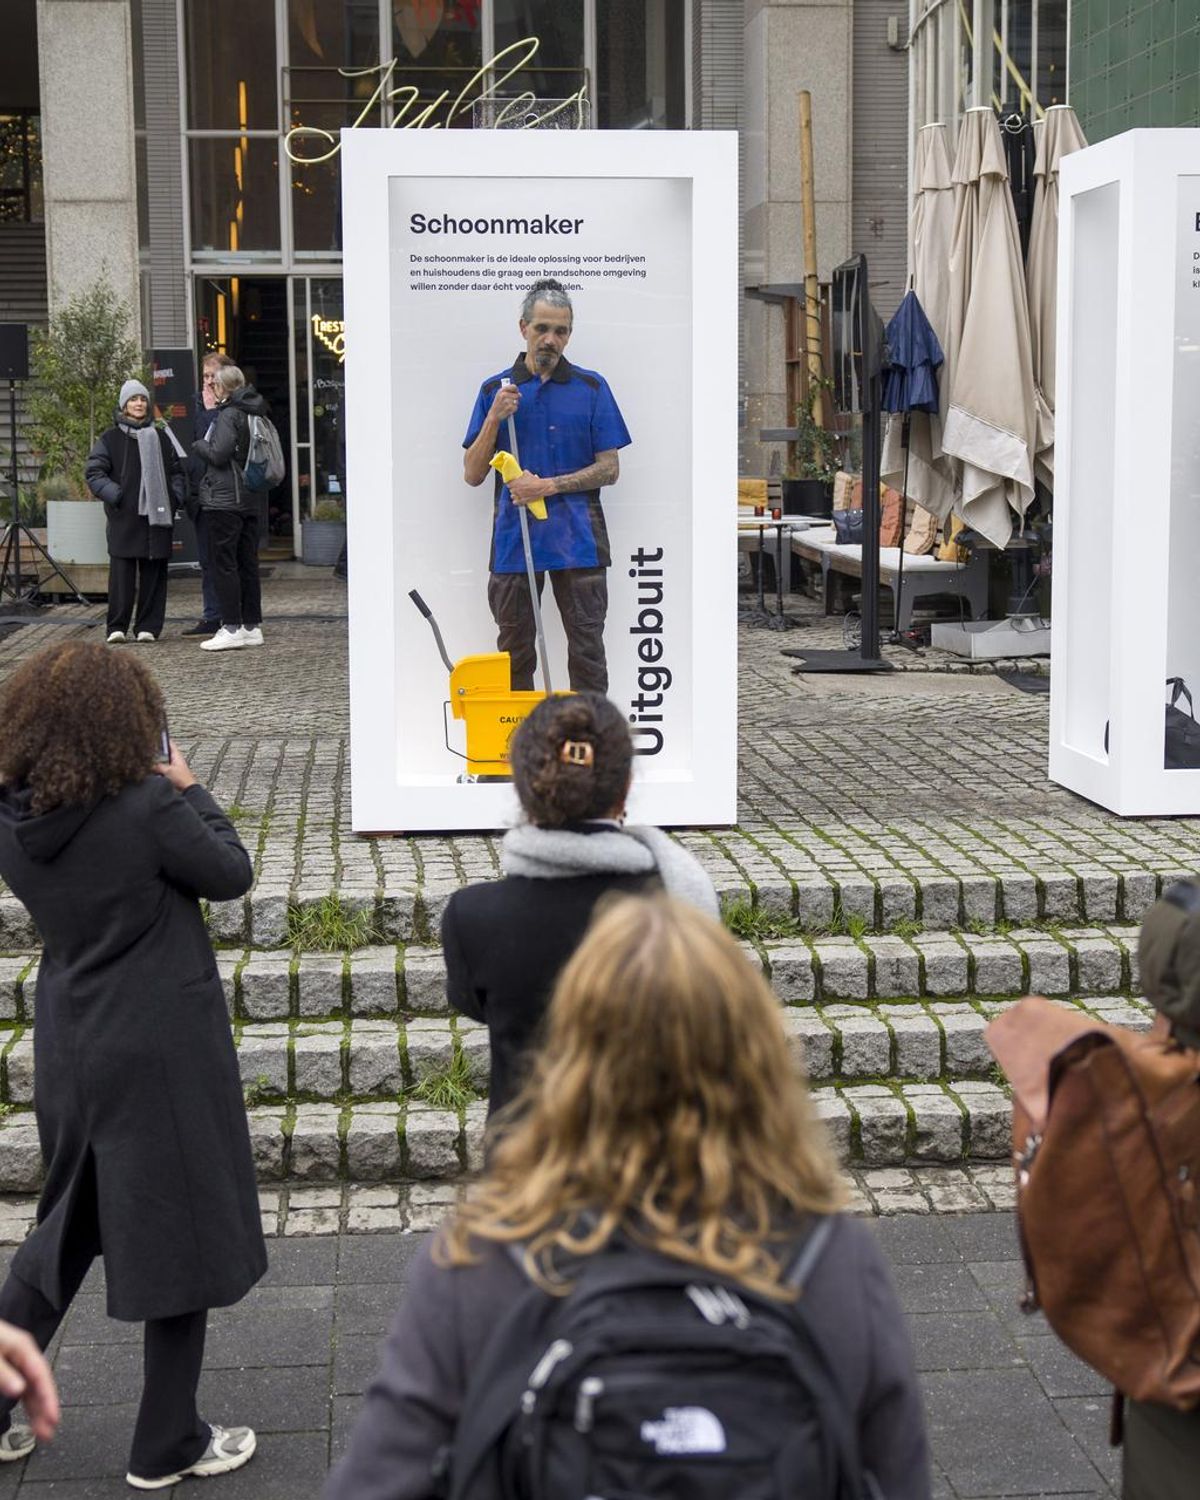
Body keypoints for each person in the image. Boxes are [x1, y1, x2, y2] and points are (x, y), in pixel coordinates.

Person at [327, 895, 931, 1500]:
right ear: (757, 1057)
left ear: (567, 1059)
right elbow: (897, 1477)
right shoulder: (831, 1259)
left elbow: (380, 1480)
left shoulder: (483, 1260)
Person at [0, 641, 266, 1489]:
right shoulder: (148, 805)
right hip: (157, 1043)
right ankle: (167, 1445)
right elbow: (230, 874)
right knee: (177, 1232)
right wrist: (191, 786)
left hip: (72, 1039)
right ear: (126, 724)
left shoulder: (12, 815)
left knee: (66, 1230)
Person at [441, 692, 717, 1116]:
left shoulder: (471, 918)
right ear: (625, 786)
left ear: (521, 786)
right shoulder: (682, 899)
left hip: (527, 1165)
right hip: (649, 1161)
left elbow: (475, 1004)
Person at [462, 279, 631, 694]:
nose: (551, 339)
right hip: (514, 541)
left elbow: (610, 469)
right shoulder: (495, 390)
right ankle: (521, 749)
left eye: (561, 331)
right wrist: (494, 420)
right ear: (523, 328)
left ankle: (588, 747)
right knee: (514, 652)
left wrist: (549, 487)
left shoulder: (592, 387)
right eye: (542, 328)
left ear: (569, 334)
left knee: (588, 649)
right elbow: (472, 473)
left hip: (580, 538)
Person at [85, 379, 184, 645]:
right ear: (124, 405)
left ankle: (148, 627)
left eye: (142, 399)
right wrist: (116, 495)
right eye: (133, 400)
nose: (139, 404)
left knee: (154, 573)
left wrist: (175, 498)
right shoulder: (110, 438)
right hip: (124, 516)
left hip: (157, 517)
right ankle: (116, 627)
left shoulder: (161, 437)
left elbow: (176, 472)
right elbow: (94, 473)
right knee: (122, 575)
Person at [191, 363, 267, 653]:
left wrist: (200, 445)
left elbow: (219, 454)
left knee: (224, 564)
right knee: (248, 563)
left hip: (224, 499)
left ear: (223, 388)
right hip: (250, 497)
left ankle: (231, 626)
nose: (211, 388)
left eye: (214, 384)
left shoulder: (229, 414)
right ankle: (251, 626)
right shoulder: (256, 410)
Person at [181, 351, 235, 637]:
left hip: (225, 494)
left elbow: (214, 443)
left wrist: (211, 410)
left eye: (213, 375)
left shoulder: (232, 406)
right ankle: (211, 614)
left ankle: (232, 616)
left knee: (226, 558)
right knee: (206, 560)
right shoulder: (196, 403)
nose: (209, 382)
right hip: (201, 492)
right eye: (205, 376)